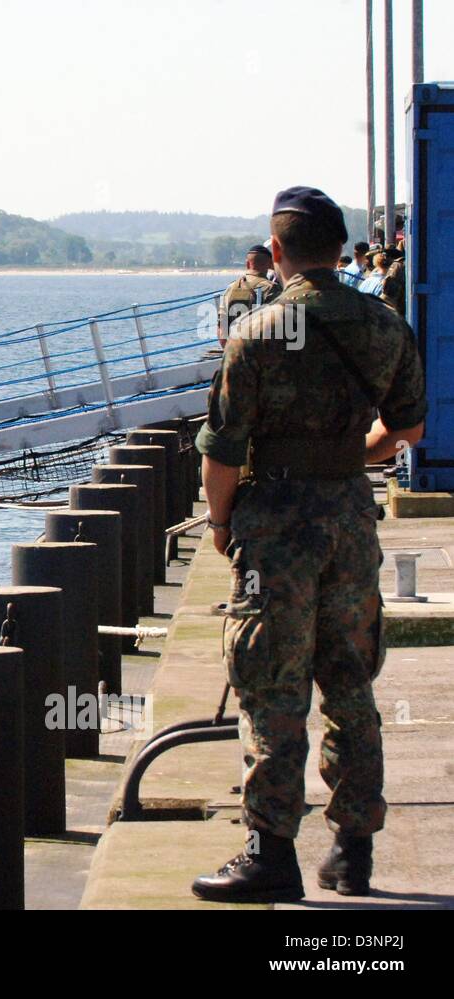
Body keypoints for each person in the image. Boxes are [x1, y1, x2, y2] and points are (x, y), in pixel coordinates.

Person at [191, 186, 426, 903]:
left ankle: (269, 852)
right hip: (351, 523)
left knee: (271, 686)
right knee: (351, 684)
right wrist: (353, 455)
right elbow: (407, 430)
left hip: (276, 532)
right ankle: (353, 852)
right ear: (338, 246)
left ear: (280, 252)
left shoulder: (256, 333)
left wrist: (224, 524)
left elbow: (222, 456)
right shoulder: (386, 327)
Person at [217, 244, 279, 344]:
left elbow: (222, 331)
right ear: (270, 264)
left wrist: (231, 354)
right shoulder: (271, 288)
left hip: (235, 351)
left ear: (247, 264)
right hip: (263, 354)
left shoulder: (230, 288)